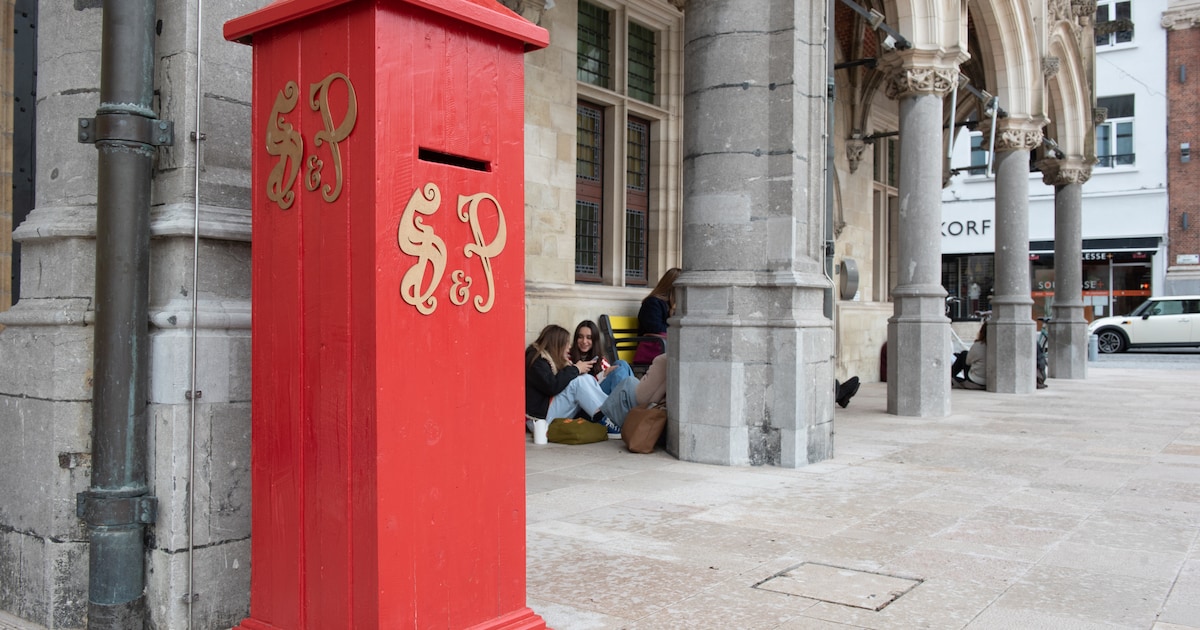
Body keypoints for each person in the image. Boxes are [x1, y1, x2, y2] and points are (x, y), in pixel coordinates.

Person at [525, 324, 624, 438]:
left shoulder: (546, 358)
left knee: (586, 378)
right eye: (566, 343)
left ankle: (611, 414)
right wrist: (575, 369)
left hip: (549, 411)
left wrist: (575, 369)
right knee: (579, 382)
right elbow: (552, 386)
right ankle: (606, 418)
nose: (569, 347)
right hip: (539, 420)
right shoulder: (537, 359)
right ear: (557, 344)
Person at [569, 320, 634, 395]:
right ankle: (629, 402)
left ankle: (627, 401)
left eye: (589, 337)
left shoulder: (601, 360)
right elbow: (578, 387)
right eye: (580, 337)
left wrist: (605, 373)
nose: (584, 341)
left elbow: (613, 379)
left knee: (622, 364)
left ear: (595, 340)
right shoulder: (568, 357)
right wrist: (602, 375)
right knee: (619, 370)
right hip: (587, 396)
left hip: (601, 394)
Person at [635, 267, 681, 364]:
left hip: (665, 347)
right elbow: (655, 328)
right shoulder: (652, 303)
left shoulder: (675, 305)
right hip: (655, 347)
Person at [952, 324, 987, 390]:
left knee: (964, 354)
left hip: (976, 379)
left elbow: (967, 362)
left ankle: (950, 375)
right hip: (989, 379)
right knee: (961, 355)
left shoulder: (979, 345)